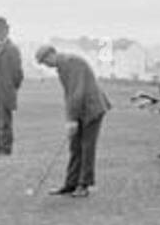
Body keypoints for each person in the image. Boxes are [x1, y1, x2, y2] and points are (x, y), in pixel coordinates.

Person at [34, 44, 110, 198]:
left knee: (87, 147)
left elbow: (77, 93)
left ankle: (84, 185)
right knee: (75, 147)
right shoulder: (62, 66)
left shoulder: (71, 62)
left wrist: (72, 120)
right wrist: (70, 119)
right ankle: (70, 184)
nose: (46, 65)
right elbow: (69, 95)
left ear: (52, 54)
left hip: (92, 108)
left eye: (45, 61)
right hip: (80, 109)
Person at [0, 16, 24, 156]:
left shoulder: (12, 49)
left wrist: (11, 87)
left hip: (5, 90)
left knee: (5, 121)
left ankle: (5, 148)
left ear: (7, 31)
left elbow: (18, 73)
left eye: (1, 30)